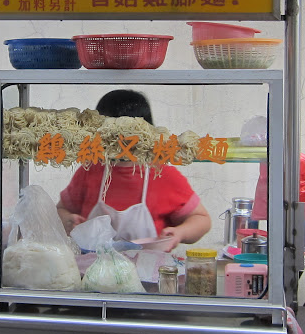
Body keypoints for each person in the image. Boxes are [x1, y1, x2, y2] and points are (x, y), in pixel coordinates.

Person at [56, 89, 211, 251]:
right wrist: (68, 220)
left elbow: (201, 219)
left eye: (127, 135)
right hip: (92, 270)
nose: (119, 141)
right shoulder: (89, 170)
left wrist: (180, 232)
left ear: (146, 133)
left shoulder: (162, 174)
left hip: (149, 271)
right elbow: (61, 210)